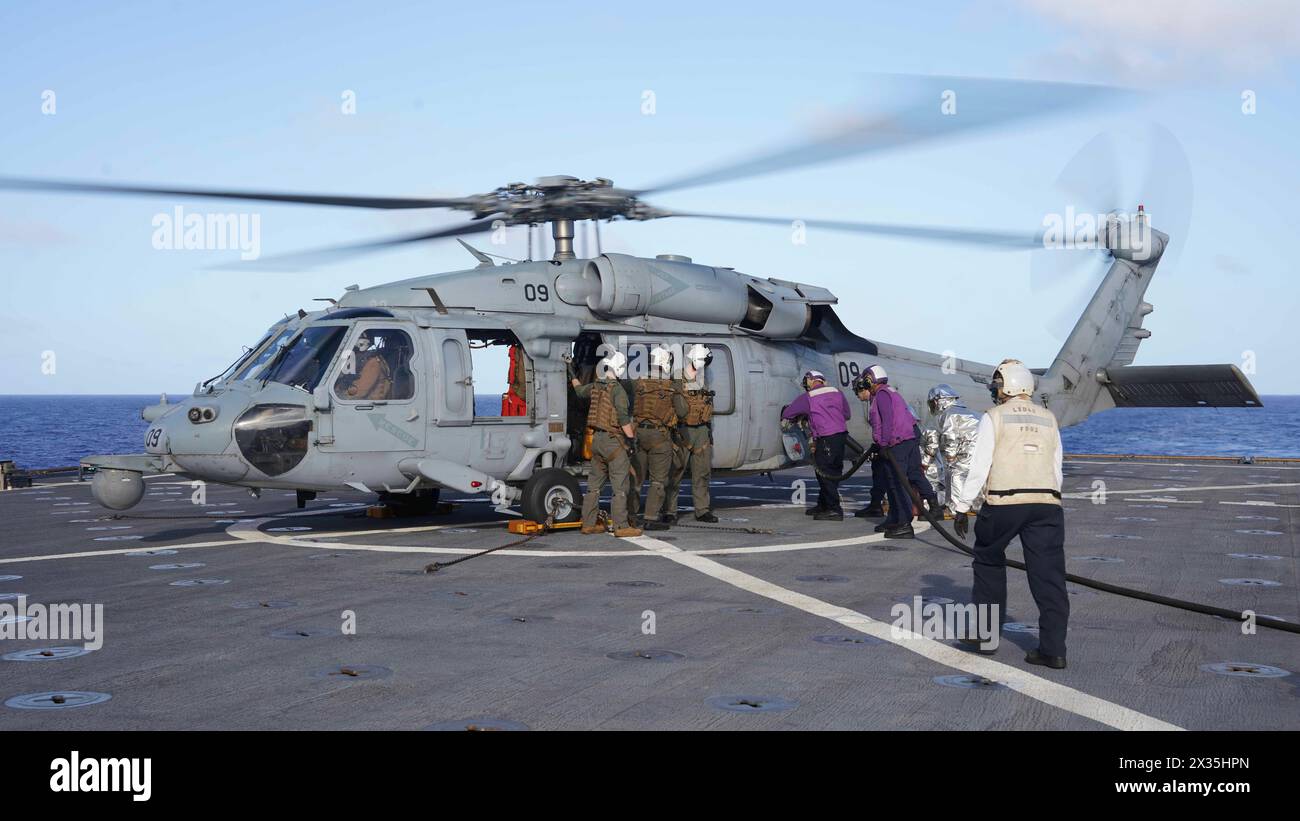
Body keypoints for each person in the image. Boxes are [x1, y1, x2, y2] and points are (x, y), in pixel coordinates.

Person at [949, 360, 1068, 670]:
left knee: (988, 561)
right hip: (1047, 503)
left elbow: (979, 466)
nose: (995, 390)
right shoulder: (1048, 418)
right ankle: (1054, 649)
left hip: (1004, 503)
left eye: (998, 385)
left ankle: (986, 638)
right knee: (1049, 576)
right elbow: (1057, 468)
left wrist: (962, 507)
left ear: (1009, 387)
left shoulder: (994, 417)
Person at [860, 364, 937, 539]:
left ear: (870, 380)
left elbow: (887, 421)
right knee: (899, 481)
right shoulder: (890, 392)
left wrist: (885, 443)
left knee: (896, 483)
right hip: (906, 441)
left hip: (896, 444)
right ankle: (895, 519)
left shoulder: (881, 395)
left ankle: (903, 523)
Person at [571, 350, 642, 537]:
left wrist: (571, 372)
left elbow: (579, 391)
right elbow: (624, 419)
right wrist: (632, 440)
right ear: (619, 368)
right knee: (620, 488)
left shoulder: (596, 386)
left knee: (593, 486)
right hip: (614, 442)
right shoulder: (617, 390)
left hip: (597, 441)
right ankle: (621, 526)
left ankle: (588, 523)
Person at [630, 346, 688, 531]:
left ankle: (630, 516)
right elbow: (682, 411)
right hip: (659, 436)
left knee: (636, 480)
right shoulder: (670, 386)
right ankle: (651, 518)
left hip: (638, 435)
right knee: (657, 481)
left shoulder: (638, 382)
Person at [781, 370, 851, 520]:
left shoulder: (809, 397)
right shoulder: (837, 392)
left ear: (810, 381)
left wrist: (806, 416)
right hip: (841, 436)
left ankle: (834, 509)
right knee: (834, 471)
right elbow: (846, 414)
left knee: (824, 473)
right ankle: (824, 504)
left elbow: (788, 414)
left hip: (825, 438)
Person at [663, 344, 718, 523]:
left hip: (701, 430)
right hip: (682, 430)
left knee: (702, 473)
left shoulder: (702, 380)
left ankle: (702, 510)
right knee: (675, 473)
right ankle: (670, 511)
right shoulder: (677, 380)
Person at [923, 384, 982, 517]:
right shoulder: (971, 412)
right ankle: (977, 505)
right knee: (976, 476)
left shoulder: (949, 413)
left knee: (955, 475)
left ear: (939, 401)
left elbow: (950, 436)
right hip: (981, 448)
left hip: (966, 449)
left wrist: (950, 455)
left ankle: (954, 509)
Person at [850, 373, 887, 518]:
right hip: (883, 443)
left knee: (892, 476)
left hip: (888, 443)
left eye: (858, 391)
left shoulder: (879, 400)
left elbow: (884, 425)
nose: (857, 395)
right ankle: (876, 505)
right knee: (879, 472)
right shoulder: (877, 400)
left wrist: (882, 445)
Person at [344, 334, 393, 400]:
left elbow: (359, 392)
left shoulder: (372, 362)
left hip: (369, 405)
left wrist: (340, 394)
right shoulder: (359, 360)